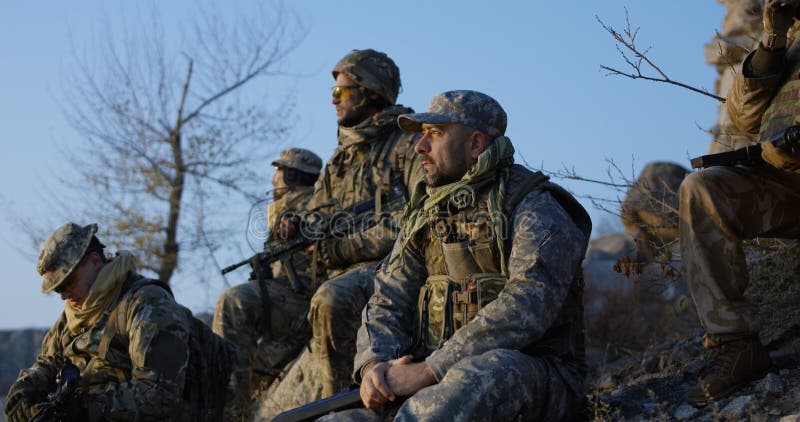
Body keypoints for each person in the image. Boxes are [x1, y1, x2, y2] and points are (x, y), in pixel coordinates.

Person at [324, 90, 592, 421]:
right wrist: (375, 365)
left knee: (475, 380)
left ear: (475, 145)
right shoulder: (426, 214)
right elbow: (387, 298)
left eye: (434, 134)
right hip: (430, 381)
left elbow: (526, 306)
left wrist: (430, 369)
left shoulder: (535, 207)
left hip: (533, 375)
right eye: (421, 135)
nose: (420, 147)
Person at [258, 49, 420, 416]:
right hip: (334, 273)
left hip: (392, 272)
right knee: (242, 301)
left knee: (330, 299)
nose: (333, 100)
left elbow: (411, 226)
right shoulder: (341, 159)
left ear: (371, 92)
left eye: (340, 92)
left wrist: (339, 248)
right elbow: (318, 216)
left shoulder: (408, 145)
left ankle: (334, 411)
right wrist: (299, 228)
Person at [682, 0, 800, 405]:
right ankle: (736, 345)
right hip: (785, 185)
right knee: (702, 189)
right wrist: (772, 42)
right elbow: (744, 118)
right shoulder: (790, 44)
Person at [5, 223, 192, 421]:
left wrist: (85, 408)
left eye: (68, 282)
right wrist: (25, 388)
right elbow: (50, 363)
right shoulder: (71, 318)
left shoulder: (147, 304)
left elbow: (158, 394)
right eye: (58, 289)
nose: (64, 295)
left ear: (95, 261)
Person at [212, 147, 322, 419]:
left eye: (279, 172)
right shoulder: (283, 207)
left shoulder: (309, 202)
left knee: (234, 301)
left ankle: (229, 413)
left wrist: (298, 225)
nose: (273, 179)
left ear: (293, 176)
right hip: (287, 295)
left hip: (303, 295)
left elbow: (316, 223)